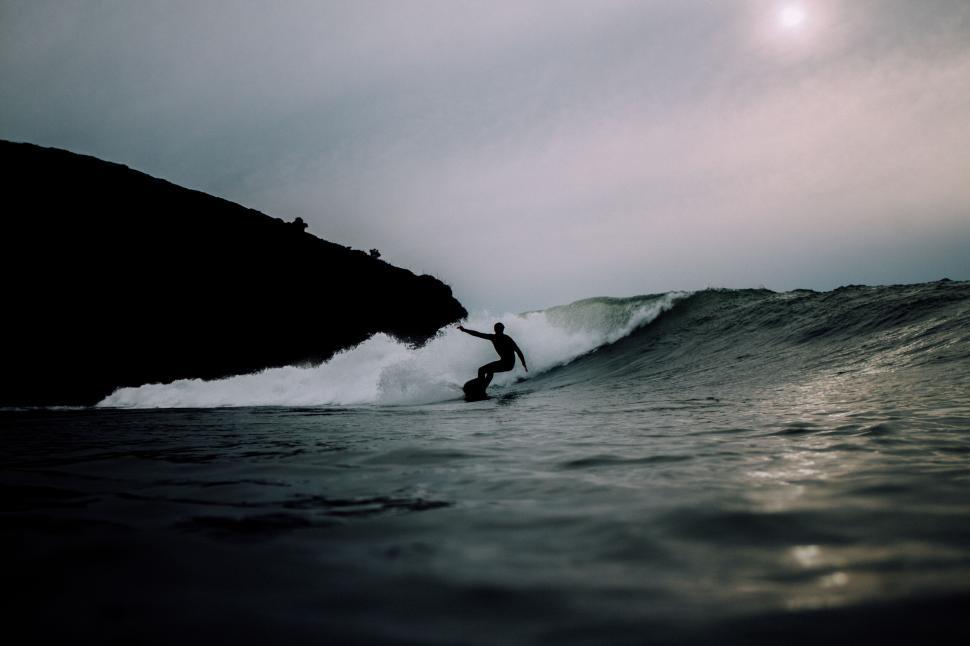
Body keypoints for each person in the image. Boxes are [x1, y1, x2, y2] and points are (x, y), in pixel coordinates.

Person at [458, 322, 528, 388]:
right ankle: (482, 387)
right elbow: (478, 334)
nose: (498, 331)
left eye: (499, 329)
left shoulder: (506, 339)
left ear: (501, 330)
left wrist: (523, 363)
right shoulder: (493, 337)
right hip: (504, 363)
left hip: (508, 364)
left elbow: (518, 351)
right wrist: (464, 330)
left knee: (482, 370)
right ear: (495, 329)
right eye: (497, 329)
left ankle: (481, 387)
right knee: (488, 371)